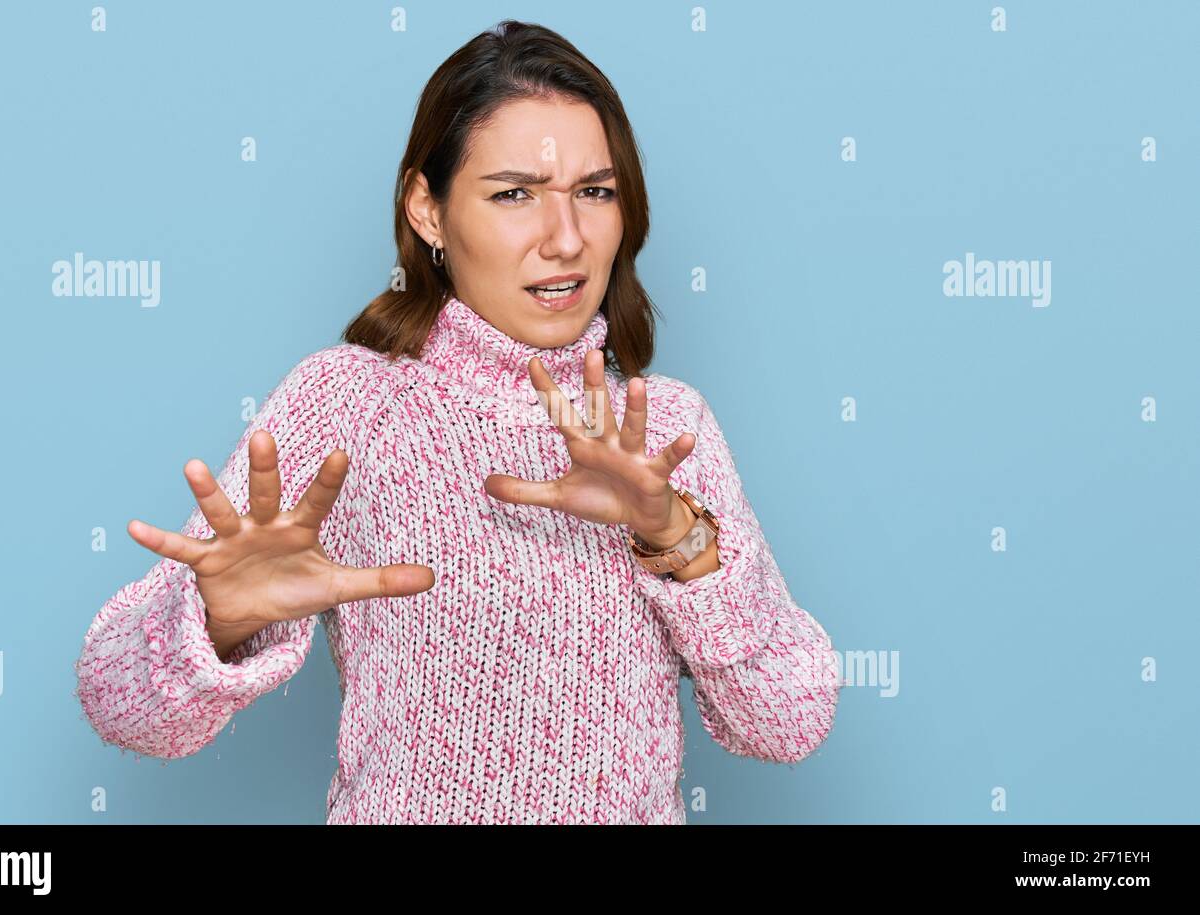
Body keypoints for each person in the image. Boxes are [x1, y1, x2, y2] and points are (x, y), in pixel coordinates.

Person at [73, 19, 840, 825]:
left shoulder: (665, 429)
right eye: (514, 194)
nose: (566, 238)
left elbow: (787, 724)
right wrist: (217, 619)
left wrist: (681, 540)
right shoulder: (352, 404)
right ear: (428, 211)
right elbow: (119, 704)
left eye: (595, 191)